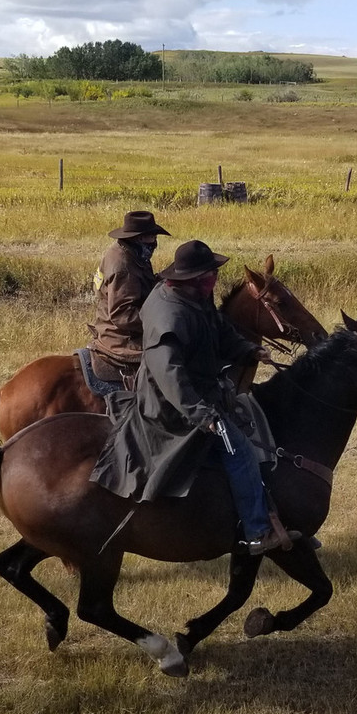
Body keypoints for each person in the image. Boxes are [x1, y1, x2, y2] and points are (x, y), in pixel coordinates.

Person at [92, 240, 298, 555]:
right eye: (210, 274)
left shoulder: (196, 297)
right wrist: (203, 415)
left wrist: (248, 349)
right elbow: (169, 375)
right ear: (193, 278)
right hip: (169, 407)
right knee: (238, 448)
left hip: (201, 393)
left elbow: (220, 327)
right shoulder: (168, 315)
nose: (215, 279)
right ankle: (258, 532)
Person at [88, 210, 170, 375]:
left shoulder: (131, 253)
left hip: (112, 326)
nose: (155, 242)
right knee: (171, 357)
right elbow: (122, 315)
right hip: (122, 338)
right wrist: (162, 323)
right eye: (152, 237)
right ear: (139, 238)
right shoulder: (123, 266)